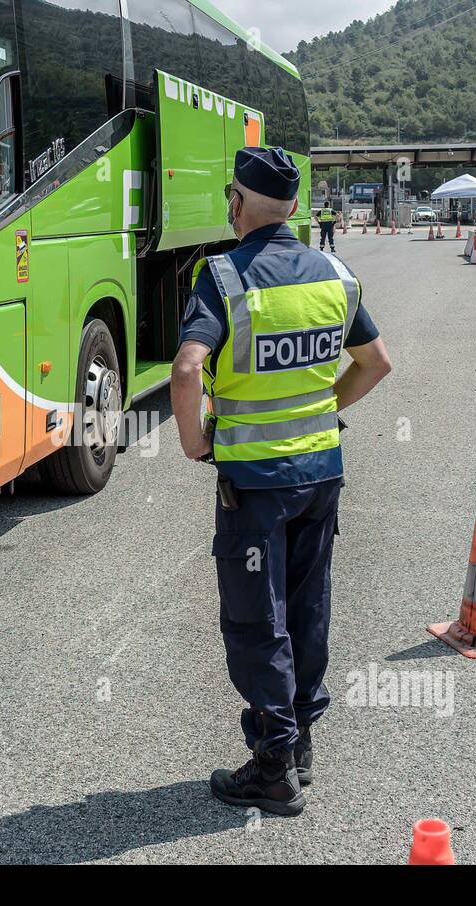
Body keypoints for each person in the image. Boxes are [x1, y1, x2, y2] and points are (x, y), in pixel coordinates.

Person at [170, 146, 392, 817]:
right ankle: (300, 746)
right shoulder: (334, 271)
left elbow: (185, 370)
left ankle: (271, 767)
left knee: (255, 616)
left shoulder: (225, 276)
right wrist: (322, 407)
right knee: (307, 605)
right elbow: (376, 362)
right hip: (321, 472)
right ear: (294, 206)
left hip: (255, 484)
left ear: (237, 202)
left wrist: (193, 439)